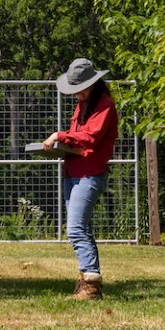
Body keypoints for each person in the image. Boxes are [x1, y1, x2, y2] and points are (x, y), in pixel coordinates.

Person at [42, 58, 120, 300]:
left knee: (75, 228)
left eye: (80, 88)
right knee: (81, 228)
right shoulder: (83, 104)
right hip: (73, 171)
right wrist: (62, 143)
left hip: (90, 174)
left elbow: (90, 138)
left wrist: (59, 135)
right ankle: (89, 284)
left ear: (93, 83)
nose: (77, 94)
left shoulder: (105, 105)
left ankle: (91, 281)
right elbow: (77, 137)